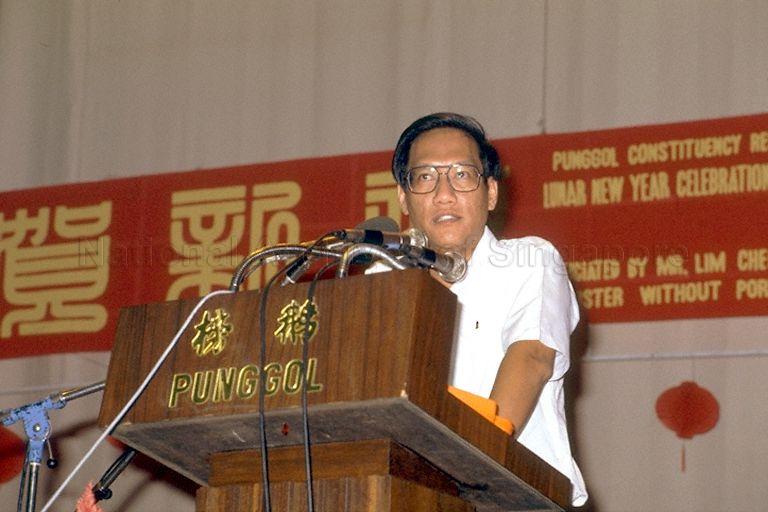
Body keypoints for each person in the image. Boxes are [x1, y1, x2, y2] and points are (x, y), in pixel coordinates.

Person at [390, 112, 587, 506]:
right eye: (425, 177)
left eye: (462, 175)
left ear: (491, 193)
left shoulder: (529, 260)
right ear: (404, 197)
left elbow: (532, 359)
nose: (443, 194)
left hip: (508, 495)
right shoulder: (384, 277)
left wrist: (462, 470)